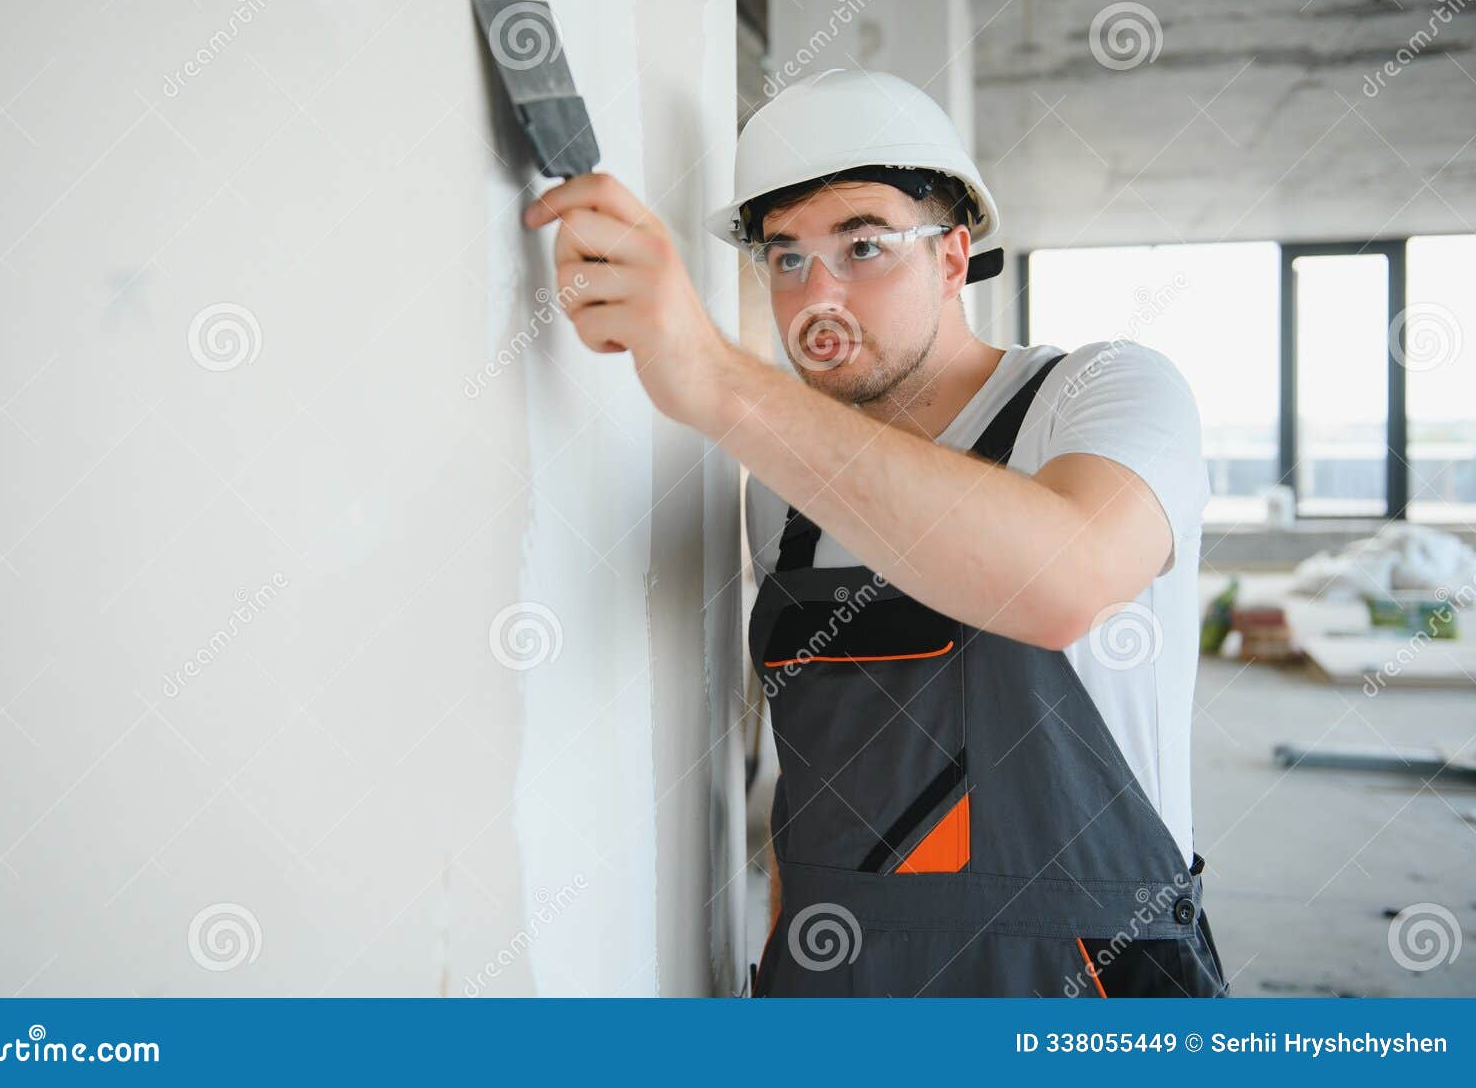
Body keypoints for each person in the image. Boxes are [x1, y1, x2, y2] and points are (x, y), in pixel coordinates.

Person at [522, 68, 1228, 998]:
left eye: (864, 245)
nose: (819, 296)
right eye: (785, 257)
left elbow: (1065, 579)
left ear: (950, 256)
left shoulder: (1104, 396)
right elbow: (809, 792)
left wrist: (717, 379)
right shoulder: (787, 497)